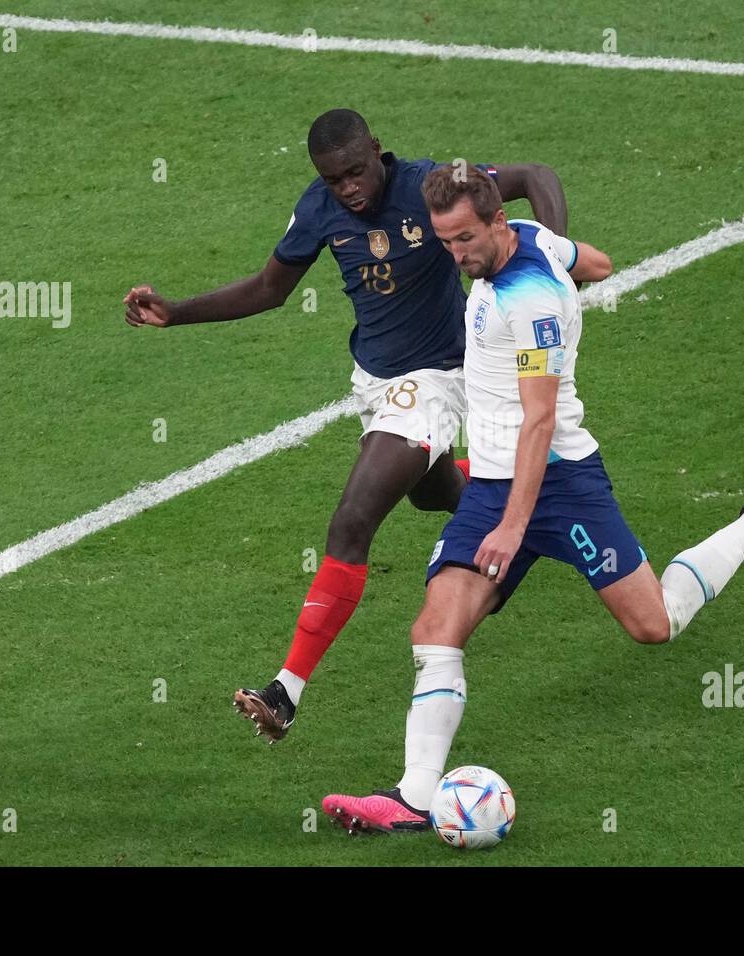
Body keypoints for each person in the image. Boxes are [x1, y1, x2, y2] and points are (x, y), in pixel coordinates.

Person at [322, 164, 744, 833]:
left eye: (461, 241)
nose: (453, 256)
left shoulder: (533, 302)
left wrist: (514, 529)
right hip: (491, 484)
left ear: (490, 221)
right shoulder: (530, 238)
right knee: (435, 629)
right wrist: (575, 265)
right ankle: (414, 797)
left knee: (653, 624)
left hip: (560, 485)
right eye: (443, 242)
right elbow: (595, 262)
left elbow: (540, 424)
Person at [123, 110, 570, 743]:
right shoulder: (320, 209)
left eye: (357, 172)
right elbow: (270, 289)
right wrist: (179, 313)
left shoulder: (432, 184)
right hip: (374, 382)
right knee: (431, 493)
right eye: (335, 179)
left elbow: (535, 175)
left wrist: (549, 260)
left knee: (353, 520)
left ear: (378, 154)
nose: (350, 188)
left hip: (438, 379)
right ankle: (518, 499)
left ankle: (286, 692)